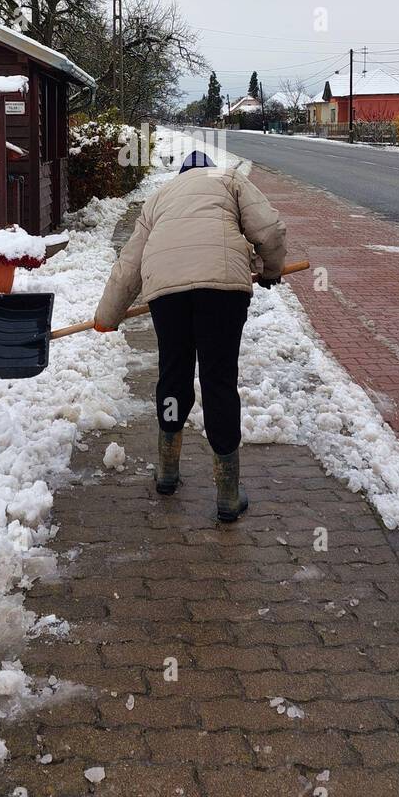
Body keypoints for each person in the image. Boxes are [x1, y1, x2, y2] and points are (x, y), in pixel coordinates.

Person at [93, 148, 287, 522]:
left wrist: (108, 315)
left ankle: (167, 472)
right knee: (218, 382)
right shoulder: (228, 180)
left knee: (174, 374)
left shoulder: (159, 198)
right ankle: (228, 494)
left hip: (168, 296)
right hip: (223, 293)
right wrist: (271, 270)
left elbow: (129, 264)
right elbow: (270, 229)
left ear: (181, 174)